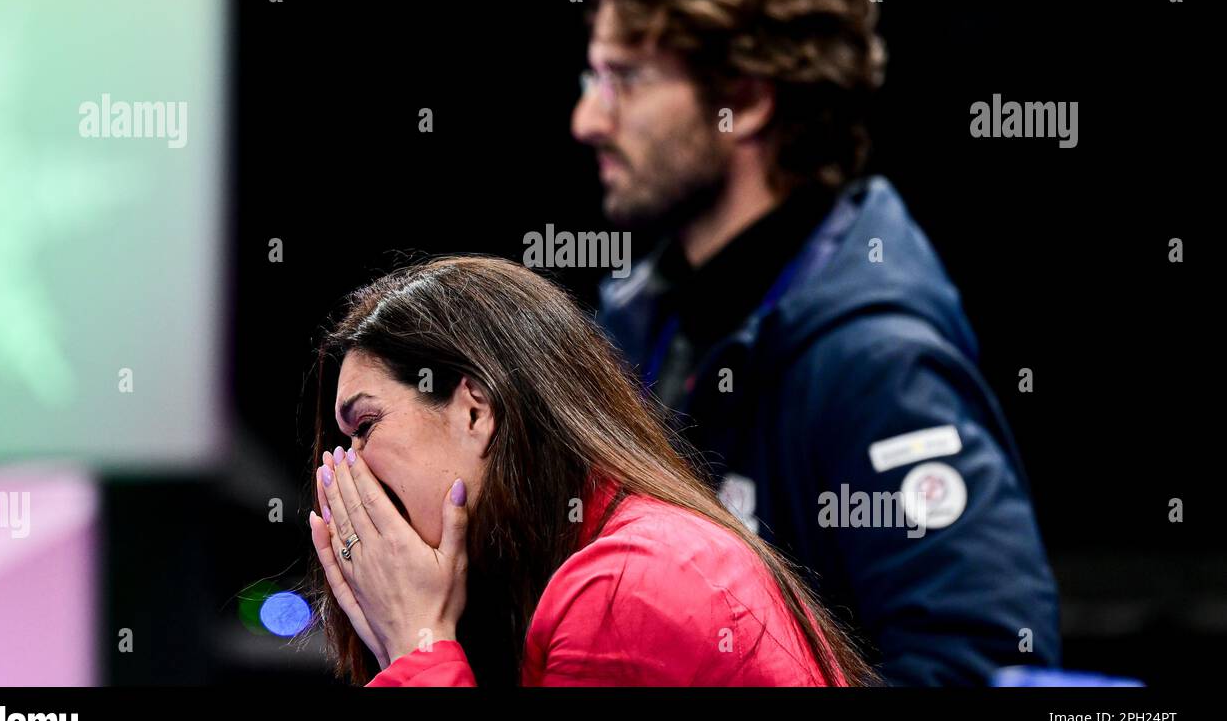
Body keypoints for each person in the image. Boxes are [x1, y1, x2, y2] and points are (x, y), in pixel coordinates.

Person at [572, 0, 1061, 684]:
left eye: (625, 78)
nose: (588, 120)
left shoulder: (874, 361)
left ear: (750, 101)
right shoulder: (639, 322)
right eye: (592, 76)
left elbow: (980, 672)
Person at [304, 256, 874, 686]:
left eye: (365, 427)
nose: (347, 473)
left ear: (474, 410)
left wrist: (416, 650)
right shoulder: (607, 558)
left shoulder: (628, 589)